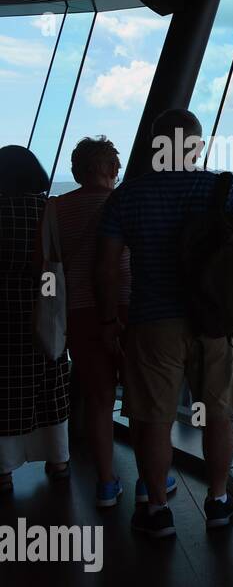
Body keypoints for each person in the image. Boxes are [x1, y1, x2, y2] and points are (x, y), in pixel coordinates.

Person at [96, 110, 233, 538]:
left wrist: (109, 319)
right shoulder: (221, 190)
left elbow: (106, 268)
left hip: (152, 323)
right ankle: (218, 501)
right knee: (217, 415)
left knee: (153, 420)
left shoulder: (128, 196)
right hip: (212, 323)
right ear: (197, 146)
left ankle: (156, 510)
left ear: (156, 146)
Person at [43, 136, 141, 508]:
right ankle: (152, 479)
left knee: (98, 402)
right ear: (107, 168)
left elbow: (47, 267)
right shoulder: (123, 202)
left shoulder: (55, 209)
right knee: (141, 399)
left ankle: (105, 482)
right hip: (127, 308)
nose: (117, 172)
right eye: (113, 165)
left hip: (80, 315)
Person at [0, 145, 71, 490]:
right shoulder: (48, 209)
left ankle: (2, 470)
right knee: (49, 383)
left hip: (3, 313)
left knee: (5, 389)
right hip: (44, 306)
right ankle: (58, 460)